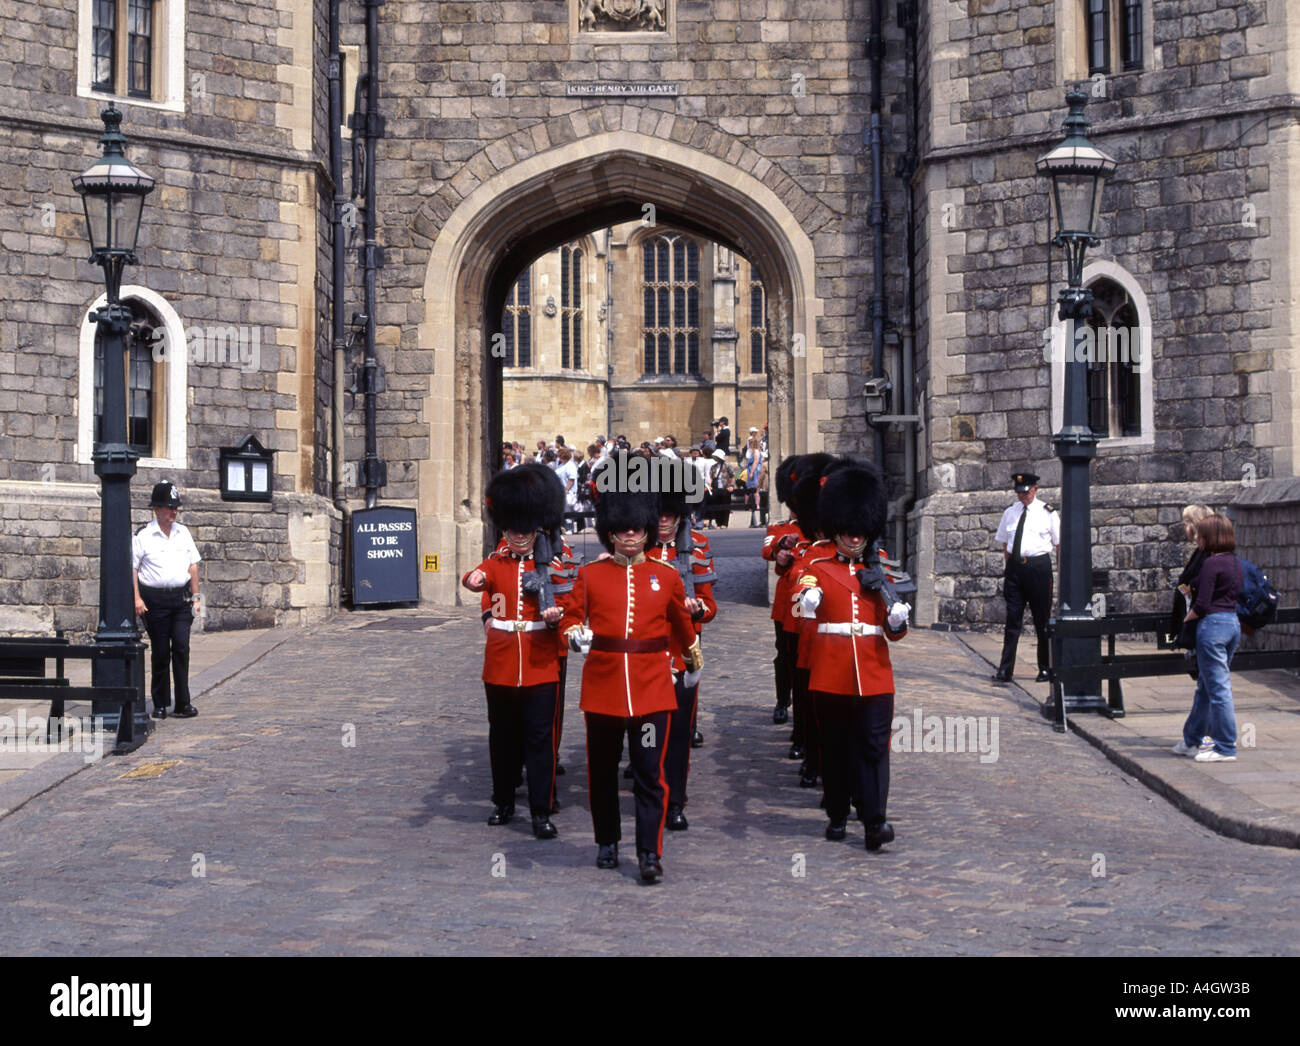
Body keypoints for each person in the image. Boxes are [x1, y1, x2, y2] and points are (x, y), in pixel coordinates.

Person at [562, 455, 701, 881]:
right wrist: (575, 634)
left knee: (648, 775)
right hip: (603, 689)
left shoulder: (667, 576)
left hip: (650, 691)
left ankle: (648, 853)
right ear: (609, 532)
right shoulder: (590, 574)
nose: (629, 535)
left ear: (644, 530)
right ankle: (607, 841)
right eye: (622, 530)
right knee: (602, 774)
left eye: (636, 529)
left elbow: (683, 628)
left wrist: (692, 665)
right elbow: (570, 616)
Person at [796, 460, 909, 851]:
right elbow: (804, 591)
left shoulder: (882, 573)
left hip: (875, 674)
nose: (855, 539)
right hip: (831, 672)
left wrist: (896, 619)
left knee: (876, 746)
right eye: (848, 532)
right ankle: (839, 813)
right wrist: (808, 600)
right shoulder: (818, 566)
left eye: (860, 533)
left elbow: (894, 632)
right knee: (838, 747)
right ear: (837, 528)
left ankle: (875, 820)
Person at [462, 463, 569, 839]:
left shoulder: (554, 565)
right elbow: (478, 579)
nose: (519, 536)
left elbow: (572, 603)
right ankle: (503, 800)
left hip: (540, 663)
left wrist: (557, 618)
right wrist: (473, 581)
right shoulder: (496, 561)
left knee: (540, 740)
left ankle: (541, 810)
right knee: (503, 738)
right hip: (502, 665)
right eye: (512, 529)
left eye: (525, 529)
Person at [647, 458, 718, 831]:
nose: (663, 521)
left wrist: (697, 609)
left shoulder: (697, 548)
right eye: (659, 513)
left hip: (682, 655)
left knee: (678, 734)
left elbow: (710, 605)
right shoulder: (634, 549)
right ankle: (650, 790)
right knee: (646, 733)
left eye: (670, 514)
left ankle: (675, 800)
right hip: (644, 657)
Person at [1175, 513, 1243, 763]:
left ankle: (1225, 746)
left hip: (1212, 626)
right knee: (1206, 686)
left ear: (1209, 538)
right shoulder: (1234, 562)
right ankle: (1192, 740)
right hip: (1231, 624)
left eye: (1201, 535)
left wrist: (1186, 620)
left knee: (1218, 689)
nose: (1198, 540)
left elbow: (1201, 603)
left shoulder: (1211, 564)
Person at [133, 481, 202, 719]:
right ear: (157, 509)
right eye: (168, 507)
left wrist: (197, 597)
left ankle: (183, 702)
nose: (173, 511)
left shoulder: (183, 533)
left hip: (181, 599)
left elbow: (192, 566)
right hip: (155, 601)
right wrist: (137, 598)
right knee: (161, 651)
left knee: (181, 648)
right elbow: (133, 568)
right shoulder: (143, 535)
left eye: (175, 508)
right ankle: (161, 703)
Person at [992, 471, 1059, 684]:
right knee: (1012, 621)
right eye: (1020, 493)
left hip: (1038, 568)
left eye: (1027, 492)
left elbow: (1058, 544)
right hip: (1015, 570)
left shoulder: (1047, 512)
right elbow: (1005, 542)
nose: (1023, 496)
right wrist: (1010, 566)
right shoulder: (1010, 512)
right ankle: (1005, 670)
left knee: (1042, 621)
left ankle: (1045, 668)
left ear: (1035, 489)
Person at [762, 456, 803, 725]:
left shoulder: (821, 530)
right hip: (787, 604)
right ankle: (781, 701)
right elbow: (767, 550)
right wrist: (781, 546)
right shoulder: (779, 528)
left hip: (811, 603)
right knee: (785, 653)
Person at [1167, 504, 1212, 645]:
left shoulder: (1207, 552)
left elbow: (1204, 585)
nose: (1184, 527)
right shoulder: (1200, 551)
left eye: (1187, 522)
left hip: (1201, 619)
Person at [706, 448, 735, 529]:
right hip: (716, 489)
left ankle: (724, 523)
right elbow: (711, 477)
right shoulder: (713, 467)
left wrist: (731, 486)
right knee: (716, 506)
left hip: (725, 488)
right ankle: (718, 523)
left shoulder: (727, 465)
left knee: (725, 506)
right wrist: (710, 486)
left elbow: (732, 476)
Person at [743, 432, 764, 527]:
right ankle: (752, 505)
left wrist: (751, 472)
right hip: (751, 469)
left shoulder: (756, 452)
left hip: (754, 470)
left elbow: (755, 462)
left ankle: (757, 505)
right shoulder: (753, 451)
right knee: (752, 489)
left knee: (756, 489)